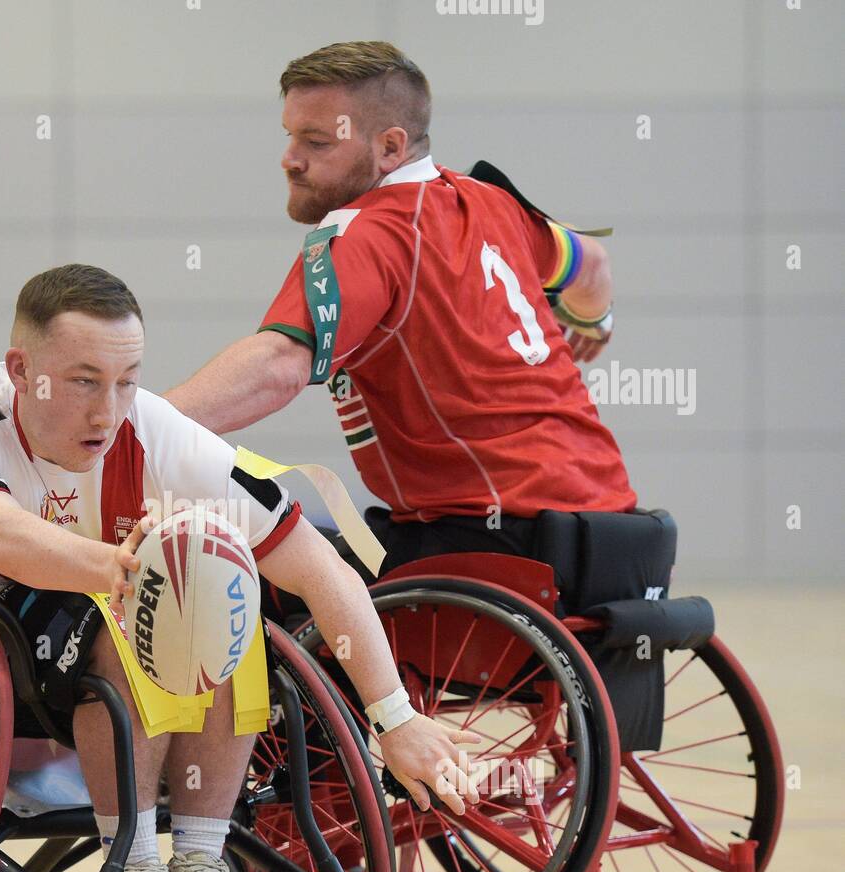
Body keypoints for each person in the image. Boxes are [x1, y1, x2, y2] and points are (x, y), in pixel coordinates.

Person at [0, 263, 480, 872]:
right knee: (137, 603)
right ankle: (136, 868)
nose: (107, 410)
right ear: (20, 368)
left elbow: (319, 567)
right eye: (85, 381)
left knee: (224, 590)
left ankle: (202, 863)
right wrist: (122, 570)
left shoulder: (157, 430)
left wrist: (395, 717)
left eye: (127, 380)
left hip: (114, 615)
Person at [164, 40, 636, 583]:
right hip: (614, 526)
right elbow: (592, 262)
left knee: (231, 582)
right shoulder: (493, 202)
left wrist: (132, 428)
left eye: (316, 142)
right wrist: (590, 323)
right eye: (290, 135)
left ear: (390, 147)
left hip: (489, 536)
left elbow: (280, 365)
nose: (289, 158)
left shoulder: (366, 232)